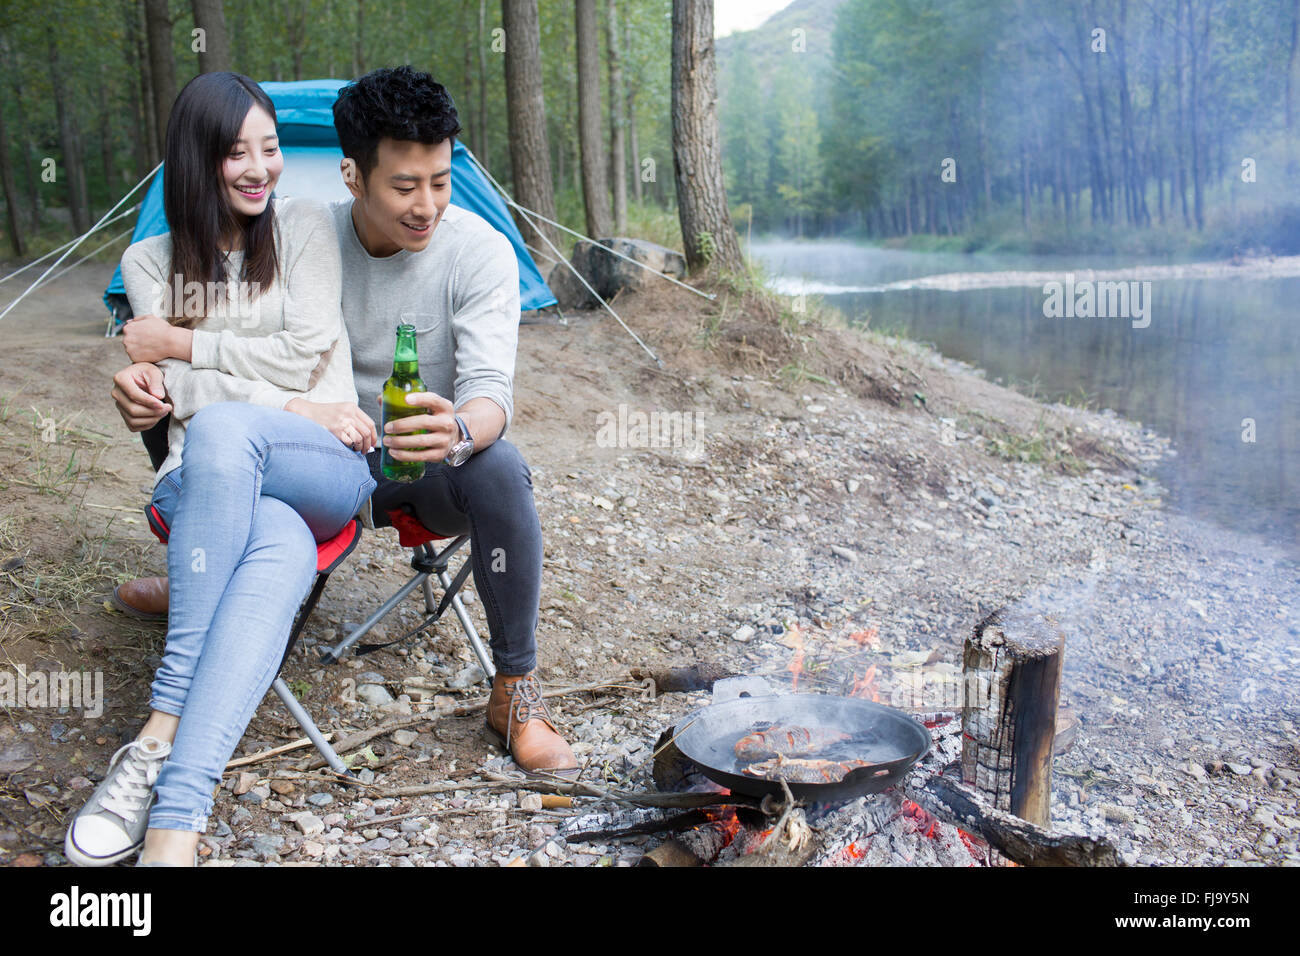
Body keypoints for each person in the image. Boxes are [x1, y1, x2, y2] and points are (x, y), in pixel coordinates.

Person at [109, 67, 579, 786]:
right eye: (404, 186)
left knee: (500, 465)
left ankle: (515, 687)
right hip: (308, 458)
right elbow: (213, 362)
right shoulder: (304, 233)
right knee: (204, 424)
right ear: (352, 176)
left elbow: (489, 391)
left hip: (414, 469)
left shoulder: (477, 252)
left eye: (441, 181)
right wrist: (154, 373)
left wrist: (455, 430)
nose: (427, 206)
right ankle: (199, 577)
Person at [68, 72, 376, 867]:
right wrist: (297, 404)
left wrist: (180, 348)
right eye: (234, 152)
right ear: (194, 160)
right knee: (272, 538)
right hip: (214, 480)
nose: (259, 168)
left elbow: (300, 349)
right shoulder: (149, 261)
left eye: (268, 149)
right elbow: (189, 397)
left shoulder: (305, 227)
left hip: (322, 470)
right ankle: (175, 818)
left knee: (229, 428)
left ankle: (158, 725)